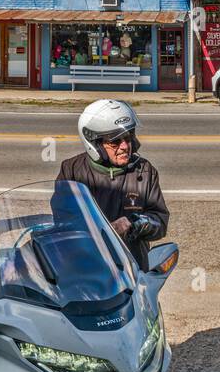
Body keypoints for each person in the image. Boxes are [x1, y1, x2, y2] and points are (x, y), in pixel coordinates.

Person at [57, 99, 168, 270]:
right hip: (87, 265)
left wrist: (136, 223)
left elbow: (160, 221)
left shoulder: (145, 171)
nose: (124, 146)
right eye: (115, 141)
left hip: (132, 268)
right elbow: (63, 218)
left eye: (128, 137)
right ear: (96, 144)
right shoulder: (72, 170)